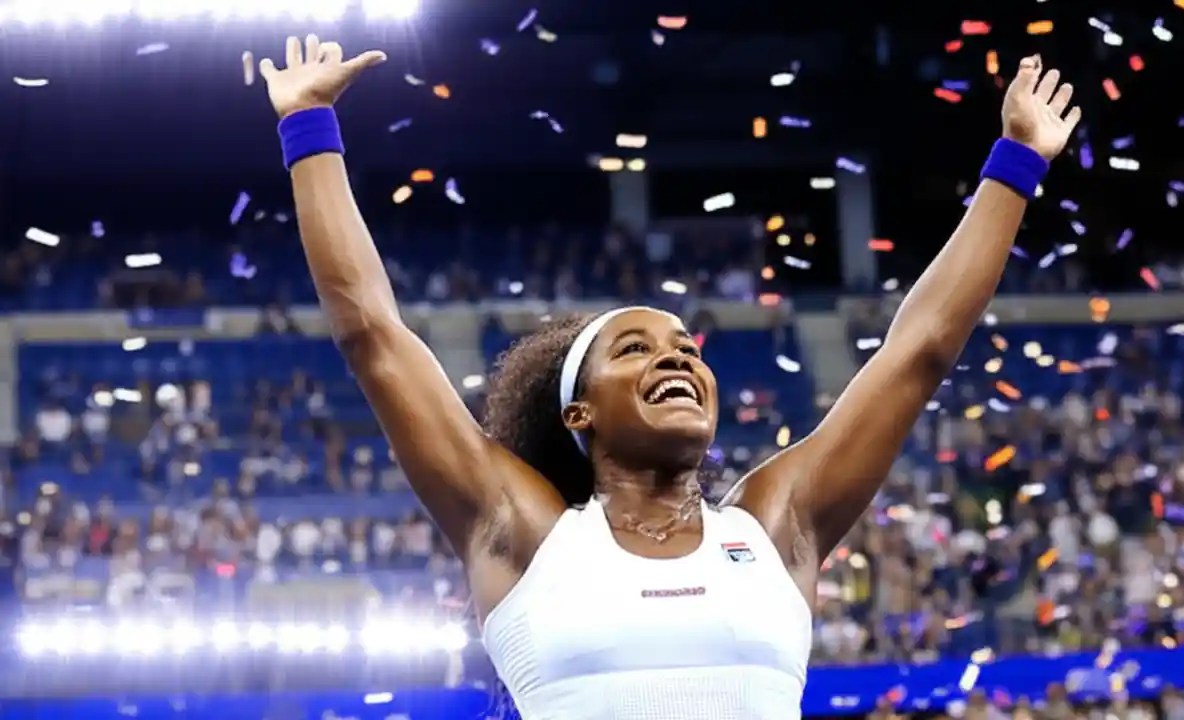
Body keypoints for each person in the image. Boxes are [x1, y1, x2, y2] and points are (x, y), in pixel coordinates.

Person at [259, 35, 1081, 720]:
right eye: (635, 349)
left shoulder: (777, 529)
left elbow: (919, 351)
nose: (677, 357)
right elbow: (373, 334)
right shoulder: (522, 533)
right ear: (578, 412)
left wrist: (1015, 162)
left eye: (688, 346)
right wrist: (308, 126)